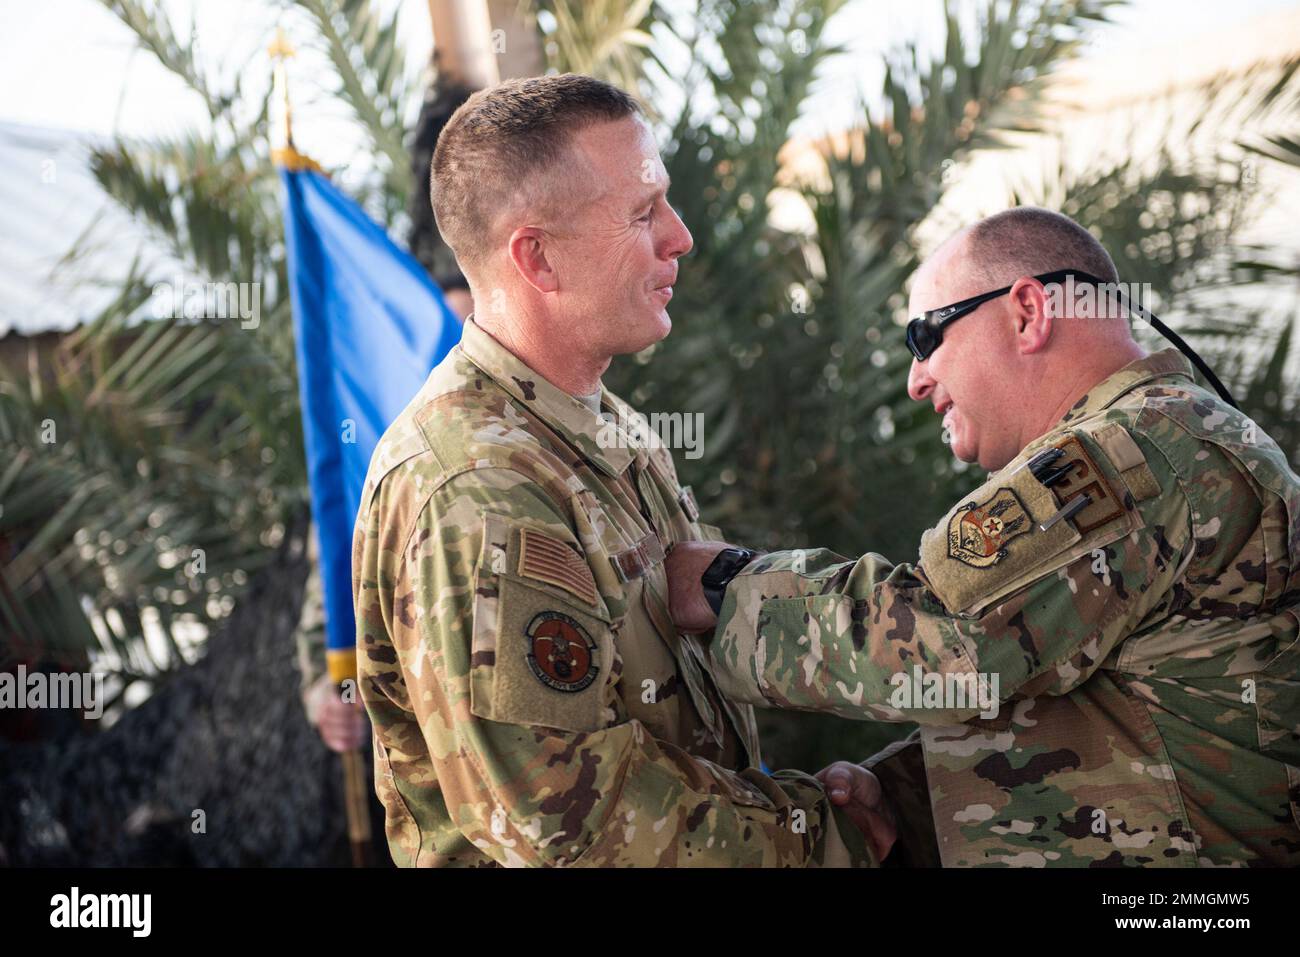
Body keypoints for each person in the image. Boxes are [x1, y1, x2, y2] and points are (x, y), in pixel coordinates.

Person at [351, 74, 888, 867]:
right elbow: (572, 818)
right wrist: (817, 834)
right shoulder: (476, 490)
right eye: (642, 213)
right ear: (537, 258)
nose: (680, 236)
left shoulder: (601, 423)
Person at [666, 206, 1300, 867]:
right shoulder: (1172, 439)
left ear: (1027, 312)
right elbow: (1116, 708)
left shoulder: (1129, 454)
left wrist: (726, 586)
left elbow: (945, 640)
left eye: (924, 337)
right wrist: (906, 800)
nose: (916, 380)